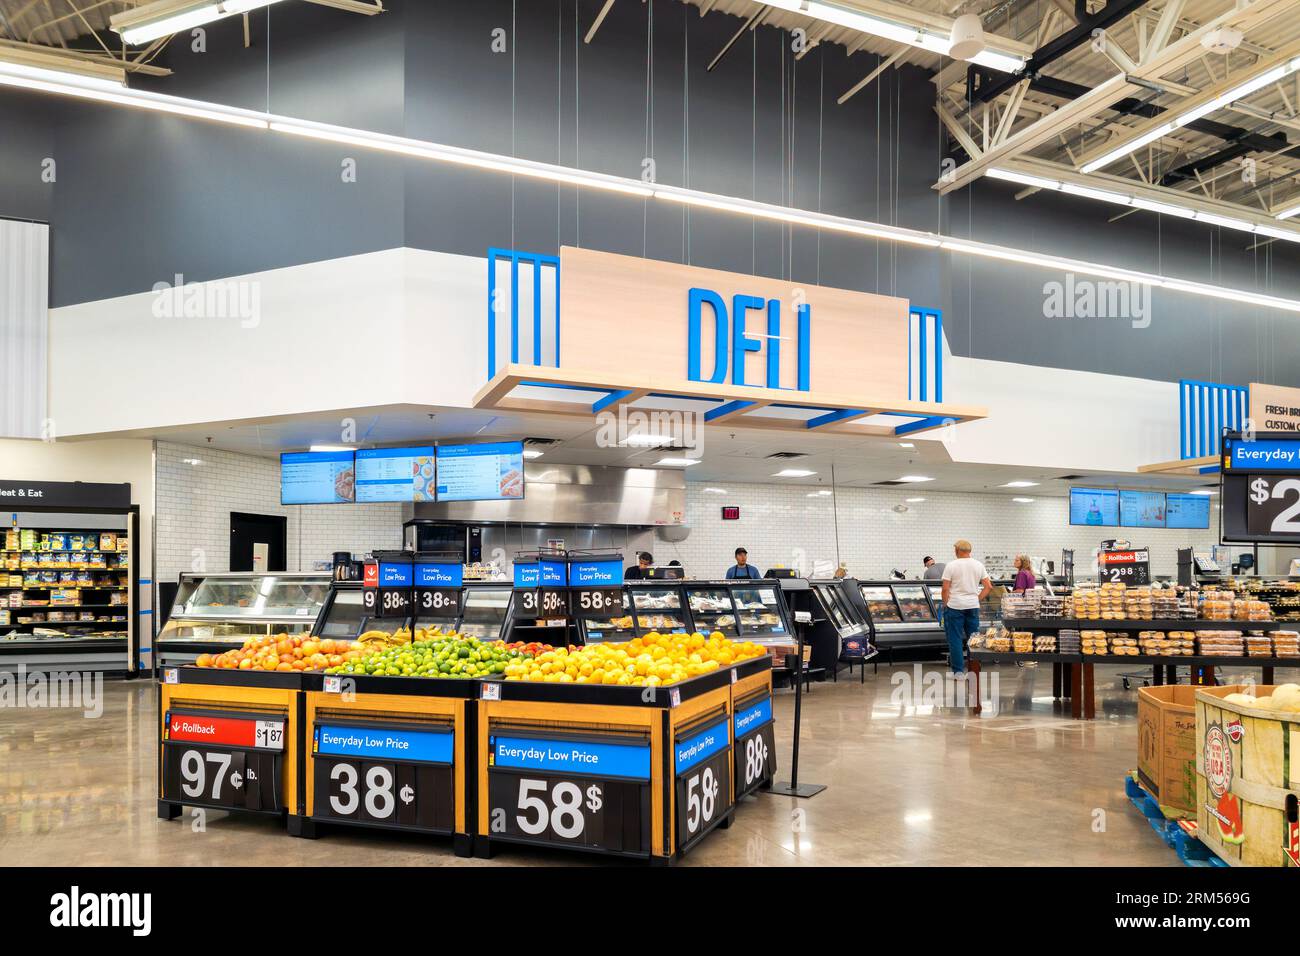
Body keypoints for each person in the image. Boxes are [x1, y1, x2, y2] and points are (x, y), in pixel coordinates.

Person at [940, 539, 991, 674]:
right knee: (973, 639)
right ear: (970, 551)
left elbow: (945, 589)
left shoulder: (951, 565)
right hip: (972, 606)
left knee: (955, 639)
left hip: (954, 606)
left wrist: (945, 604)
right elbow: (988, 587)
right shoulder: (979, 565)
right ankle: (974, 670)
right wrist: (976, 598)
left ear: (957, 550)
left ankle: (958, 673)